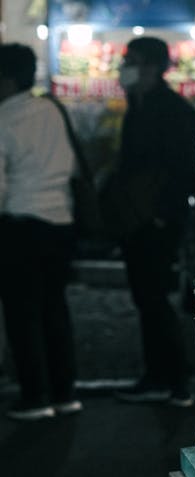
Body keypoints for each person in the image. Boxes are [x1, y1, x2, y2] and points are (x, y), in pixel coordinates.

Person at [108, 37, 195, 407]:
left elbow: (182, 170)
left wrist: (164, 215)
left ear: (152, 66)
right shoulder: (142, 104)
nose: (126, 68)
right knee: (147, 297)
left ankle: (173, 380)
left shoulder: (169, 110)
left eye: (132, 61)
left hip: (157, 219)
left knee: (153, 297)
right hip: (140, 217)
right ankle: (160, 377)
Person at [0, 44, 81, 420]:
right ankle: (64, 393)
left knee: (22, 312)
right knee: (54, 309)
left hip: (21, 224)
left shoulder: (4, 119)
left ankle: (35, 396)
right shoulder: (51, 109)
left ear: (8, 79)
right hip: (61, 222)